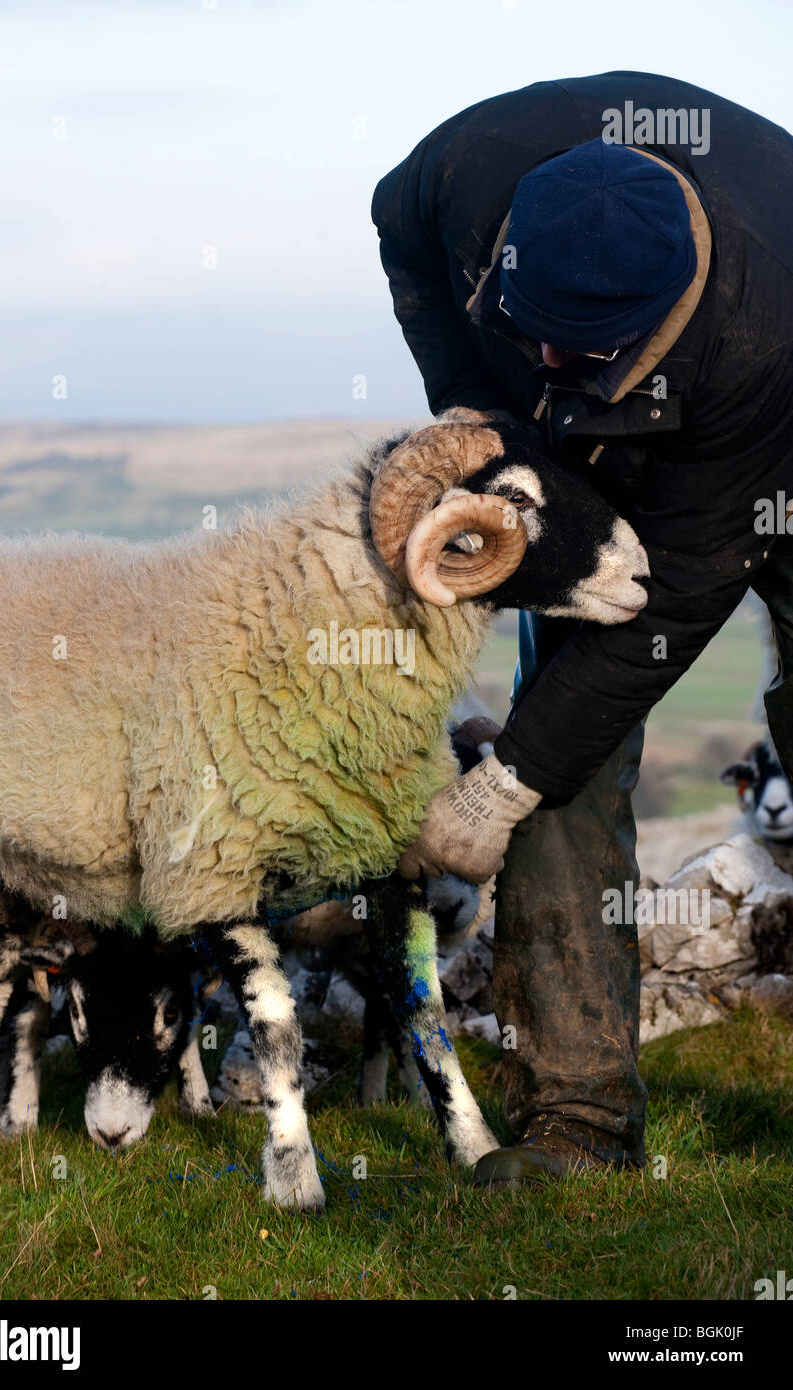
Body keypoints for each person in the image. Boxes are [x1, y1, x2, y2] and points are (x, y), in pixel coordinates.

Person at [371, 71, 793, 1186]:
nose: (548, 365)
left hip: (768, 441)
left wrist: (499, 784)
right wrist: (490, 422)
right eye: (533, 336)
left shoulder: (760, 336)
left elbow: (668, 612)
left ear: (656, 322)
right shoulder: (466, 174)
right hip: (639, 407)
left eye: (580, 353)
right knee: (565, 727)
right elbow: (395, 219)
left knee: (560, 727)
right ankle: (581, 1123)